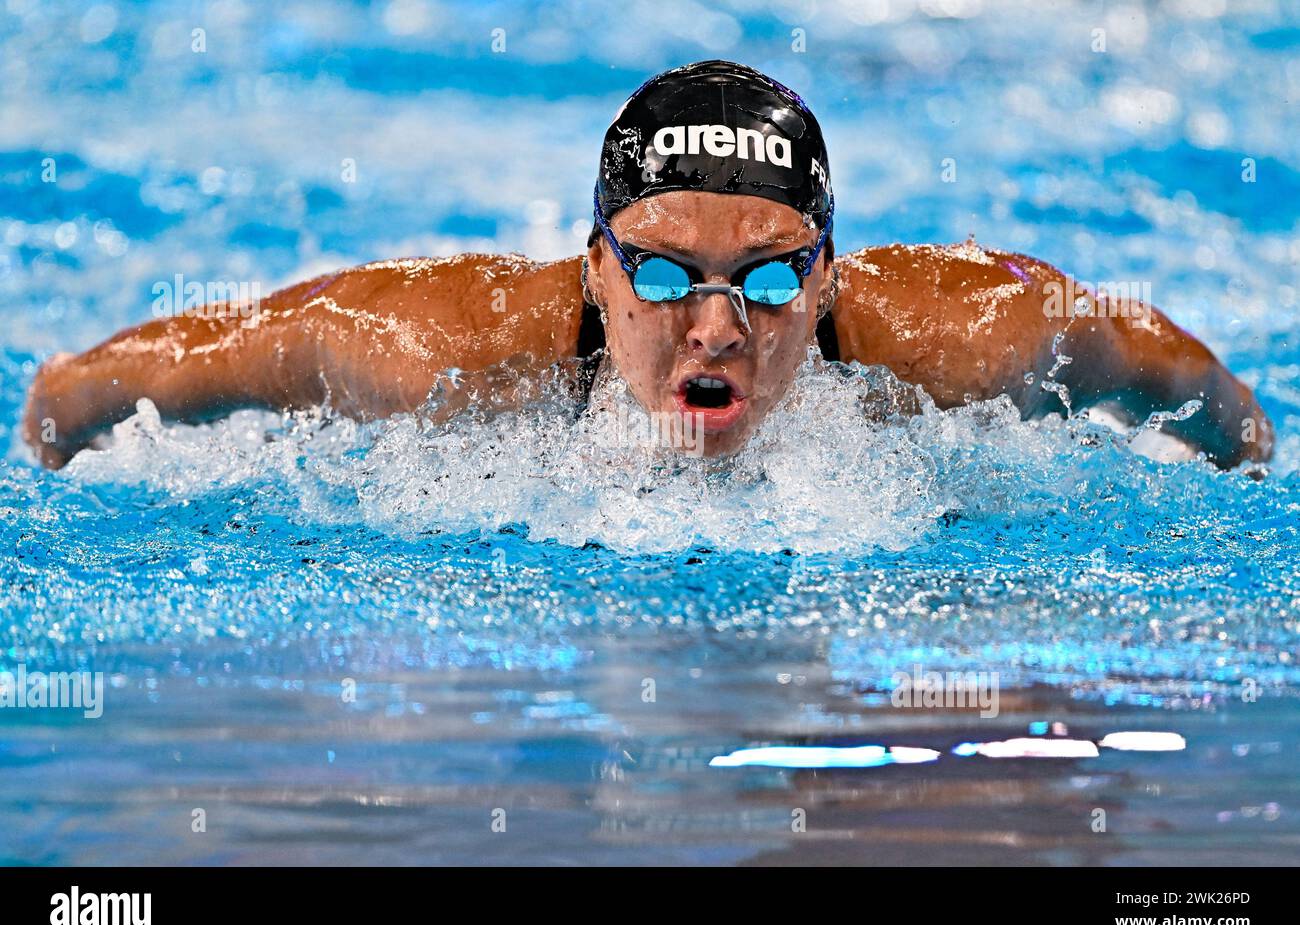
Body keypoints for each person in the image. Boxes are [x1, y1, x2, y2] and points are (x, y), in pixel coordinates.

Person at [23, 60, 1271, 470]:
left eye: (773, 277)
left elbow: (1170, 371)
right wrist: (50, 428)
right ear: (598, 270)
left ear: (830, 276)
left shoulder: (967, 334)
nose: (718, 330)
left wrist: (1250, 449)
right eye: (666, 275)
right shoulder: (432, 346)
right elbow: (121, 378)